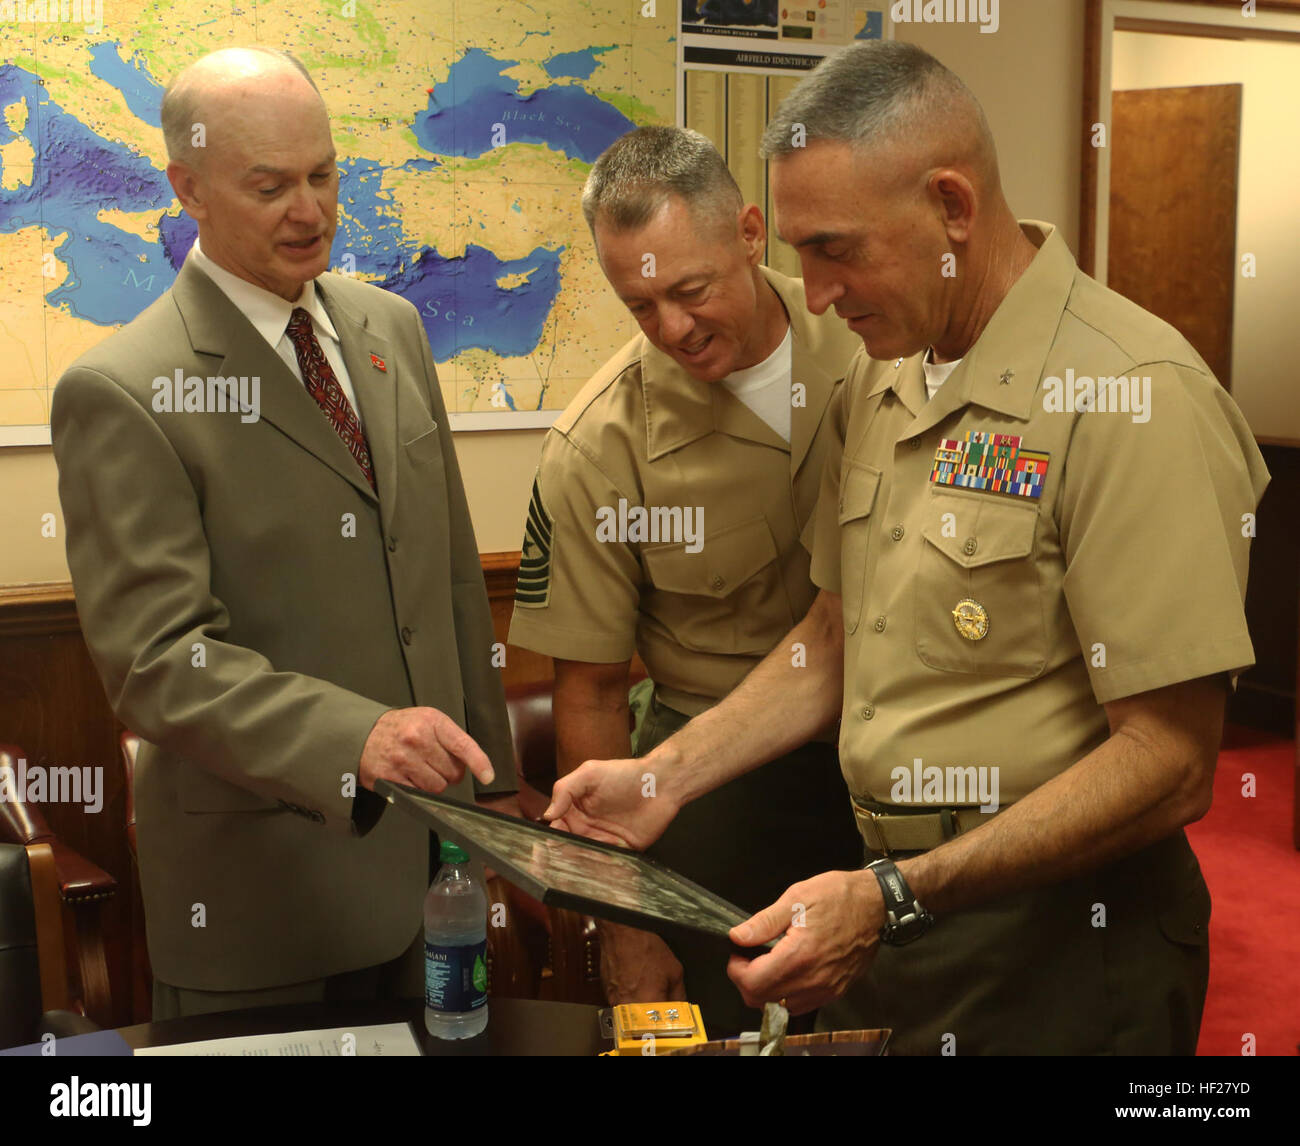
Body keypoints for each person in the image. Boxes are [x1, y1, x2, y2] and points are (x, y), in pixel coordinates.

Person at [545, 41, 1269, 1054]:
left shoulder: (1131, 395)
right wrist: (662, 775)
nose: (814, 294)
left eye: (837, 250)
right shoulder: (890, 378)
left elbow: (1169, 761)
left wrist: (891, 894)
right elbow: (832, 635)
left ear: (951, 208)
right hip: (901, 928)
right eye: (800, 254)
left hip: (1060, 946)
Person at [50, 47, 516, 1020]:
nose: (310, 212)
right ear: (190, 189)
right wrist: (361, 739)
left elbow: (452, 585)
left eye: (322, 175)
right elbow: (160, 663)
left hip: (439, 885)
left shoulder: (391, 330)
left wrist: (496, 800)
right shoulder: (125, 391)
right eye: (270, 186)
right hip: (264, 911)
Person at [507, 126, 863, 1036]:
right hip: (711, 803)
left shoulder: (870, 345)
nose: (672, 328)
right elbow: (587, 693)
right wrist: (622, 927)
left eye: (690, 290)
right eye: (639, 305)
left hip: (888, 780)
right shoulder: (598, 446)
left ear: (750, 231)